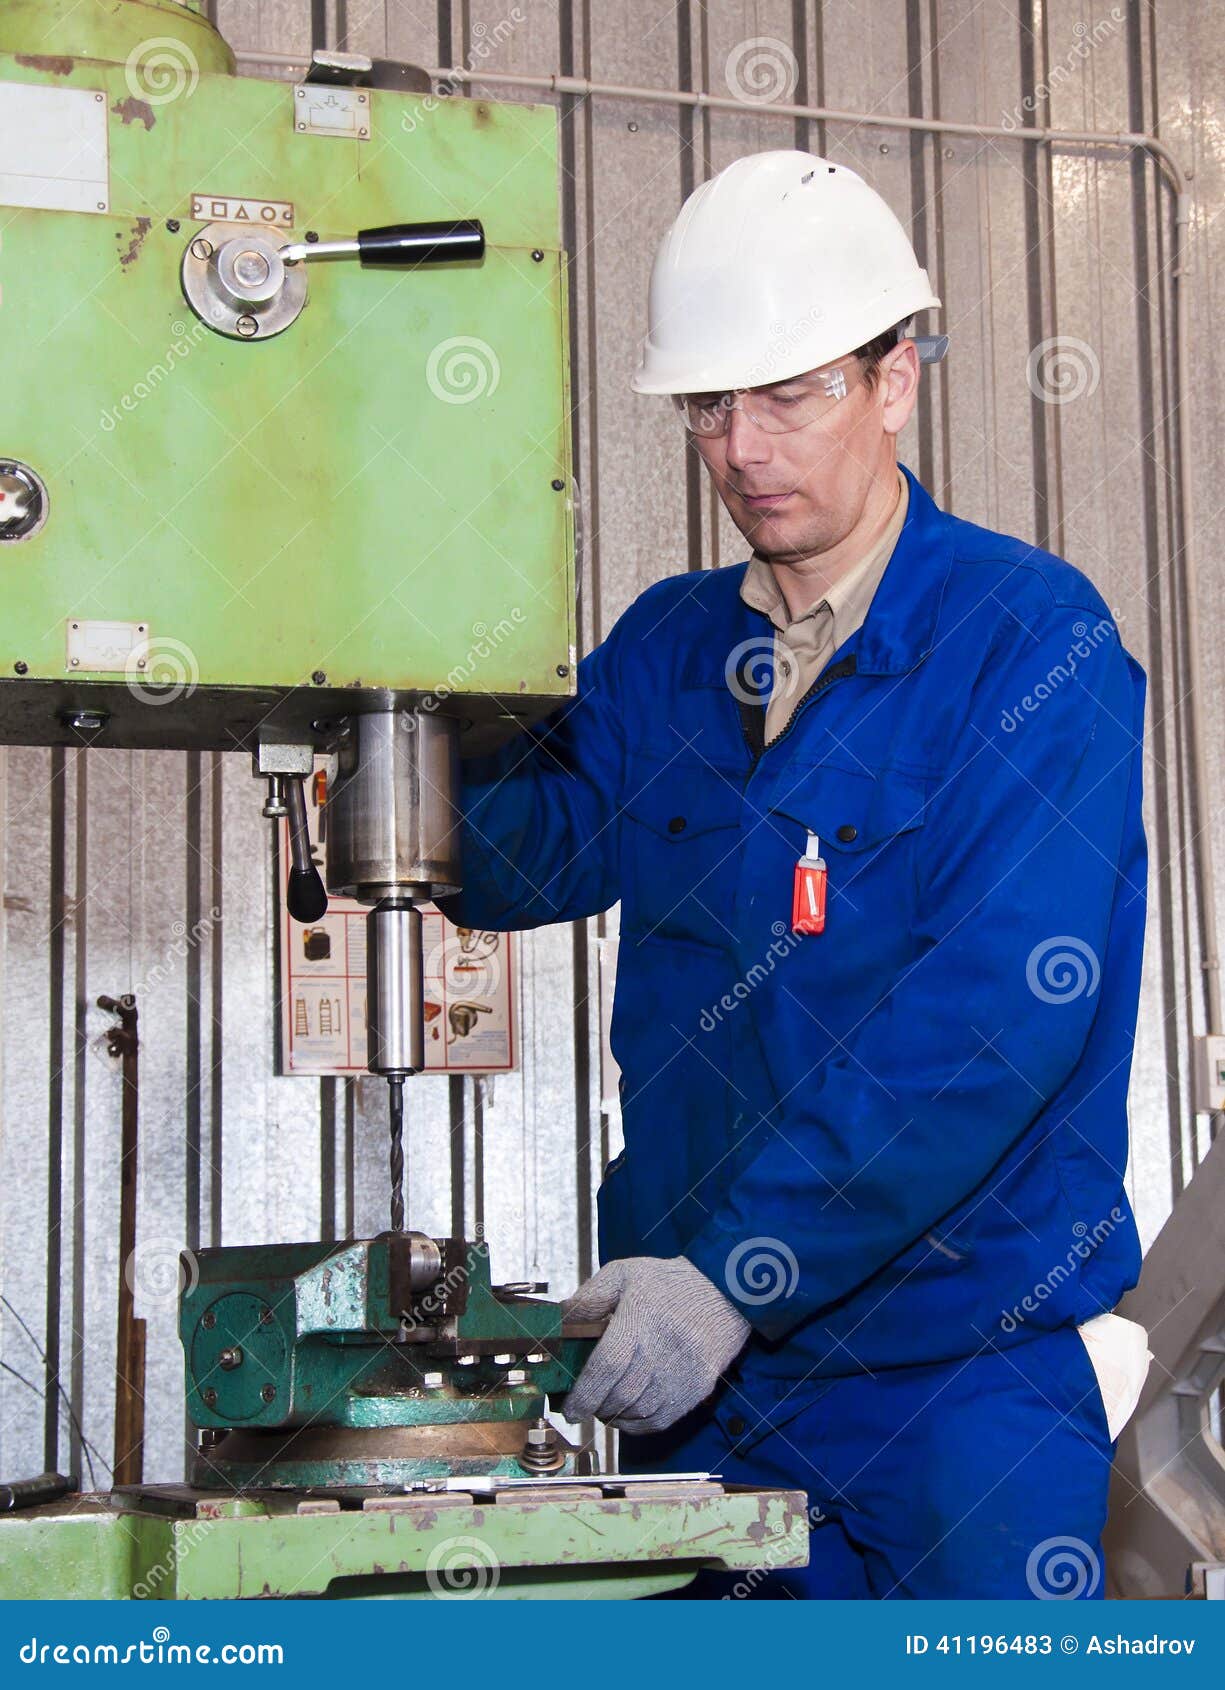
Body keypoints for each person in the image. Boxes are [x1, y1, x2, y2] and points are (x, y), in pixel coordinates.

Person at [437, 150, 1151, 1599]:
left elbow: (988, 1022)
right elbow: (521, 850)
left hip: (953, 1383)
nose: (743, 448)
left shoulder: (1027, 646)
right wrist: (370, 712)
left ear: (895, 377)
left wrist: (738, 1267)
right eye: (709, 405)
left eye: (789, 393)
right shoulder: (665, 651)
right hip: (703, 1397)